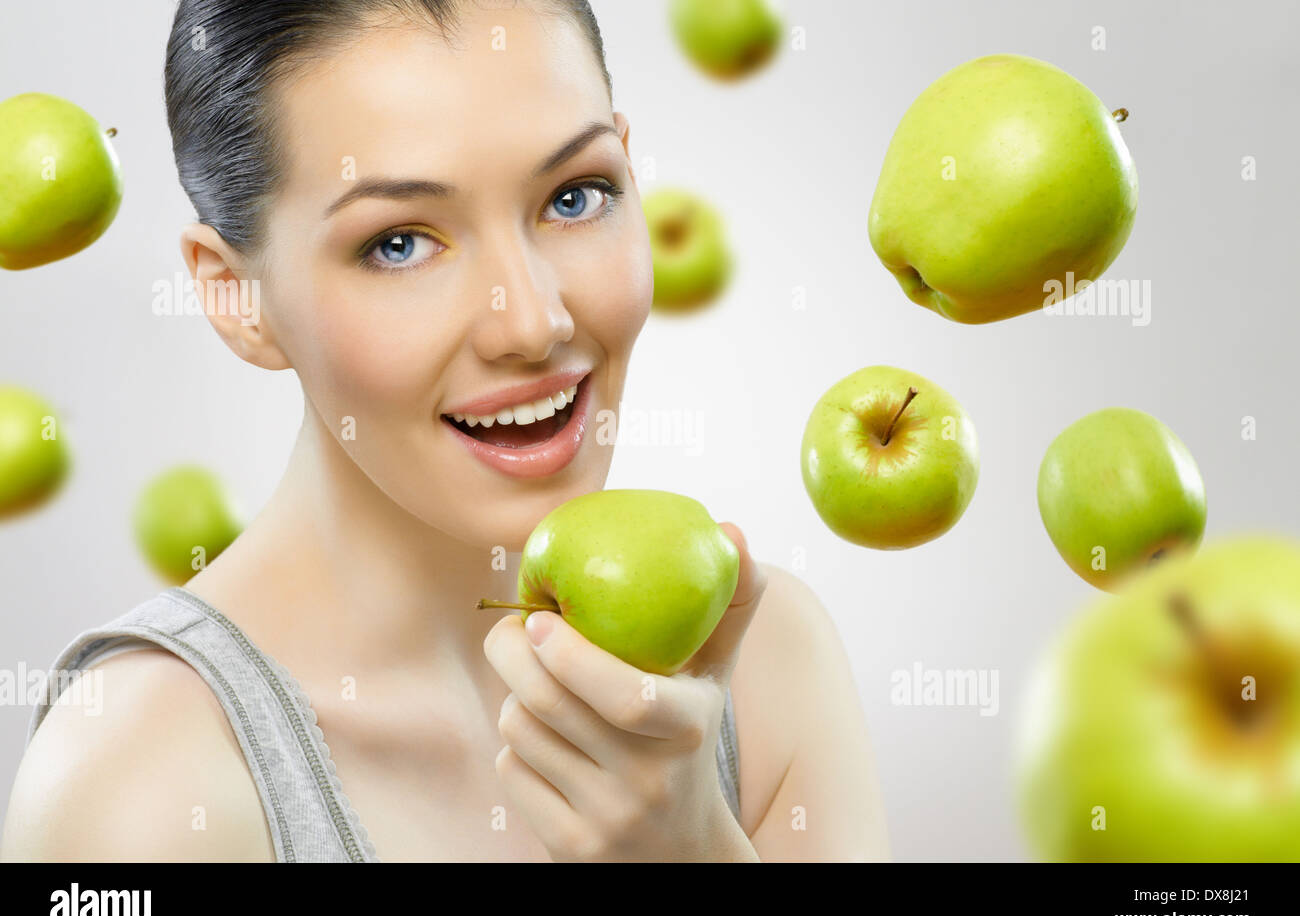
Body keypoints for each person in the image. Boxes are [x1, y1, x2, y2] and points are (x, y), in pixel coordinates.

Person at [1, 0, 888, 862]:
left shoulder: (767, 665)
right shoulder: (139, 782)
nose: (533, 322)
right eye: (399, 243)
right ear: (238, 296)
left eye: (576, 196)